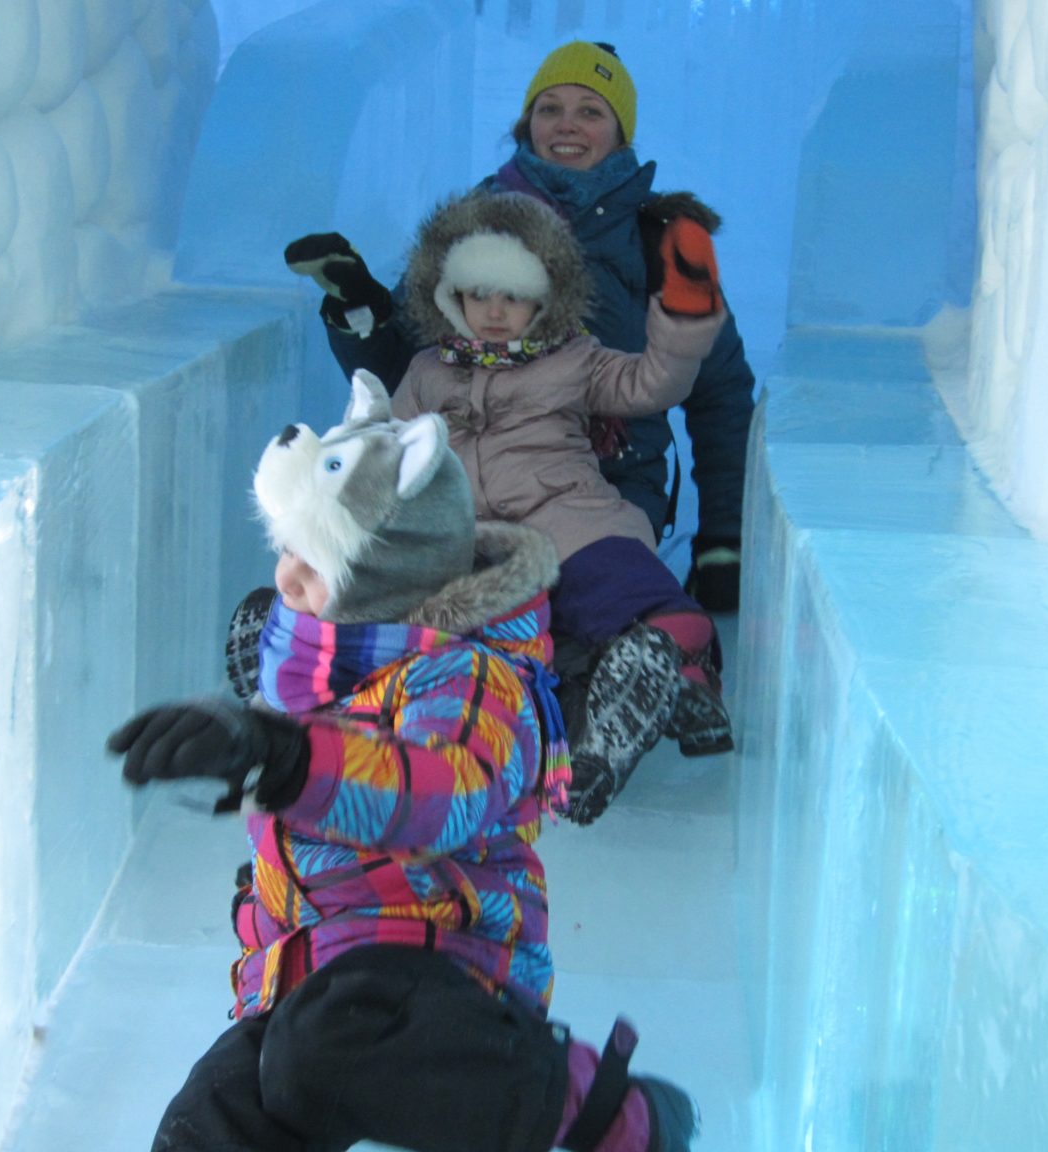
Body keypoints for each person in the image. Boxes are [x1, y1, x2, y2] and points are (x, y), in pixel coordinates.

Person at [105, 376, 697, 1152]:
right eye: (287, 550)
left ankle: (607, 1114)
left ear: (387, 575)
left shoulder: (468, 677)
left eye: (312, 563)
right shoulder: (317, 686)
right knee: (212, 1114)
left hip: (442, 962)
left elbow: (436, 793)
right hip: (308, 975)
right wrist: (258, 905)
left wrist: (279, 757)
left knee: (317, 1046)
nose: (285, 580)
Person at [285, 40, 754, 613]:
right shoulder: (474, 227)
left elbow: (718, 394)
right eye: (549, 107)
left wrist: (724, 542)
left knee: (589, 607)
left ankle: (628, 673)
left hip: (604, 491)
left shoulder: (657, 242)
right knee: (422, 602)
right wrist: (362, 310)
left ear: (620, 132)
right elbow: (408, 376)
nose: (566, 125)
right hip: (468, 485)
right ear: (526, 122)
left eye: (590, 110)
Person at [377, 187, 733, 825]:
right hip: (472, 545)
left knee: (613, 586)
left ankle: (674, 655)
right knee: (501, 652)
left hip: (569, 521)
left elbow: (651, 383)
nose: (493, 311)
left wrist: (684, 315)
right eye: (478, 293)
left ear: (545, 297)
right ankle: (587, 732)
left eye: (512, 295)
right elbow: (386, 449)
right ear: (449, 295)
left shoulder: (575, 357)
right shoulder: (428, 372)